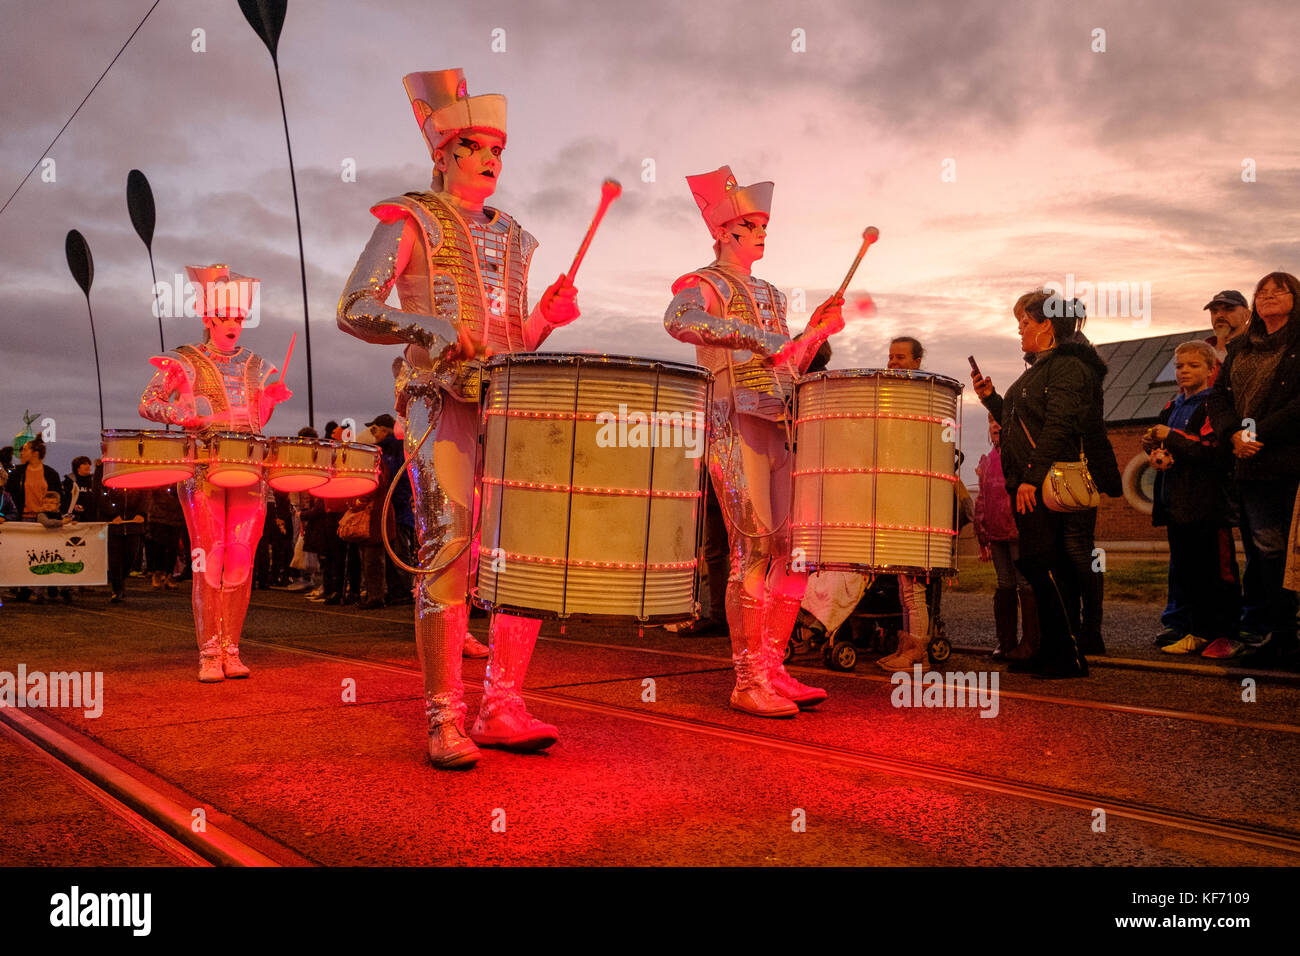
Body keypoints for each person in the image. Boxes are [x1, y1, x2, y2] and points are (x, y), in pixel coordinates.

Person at [337, 69, 580, 768]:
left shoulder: (515, 236)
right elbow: (355, 306)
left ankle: (503, 703)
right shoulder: (408, 217)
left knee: (521, 553)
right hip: (438, 399)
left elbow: (514, 343)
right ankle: (444, 716)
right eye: (474, 145)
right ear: (441, 151)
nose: (490, 159)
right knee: (447, 548)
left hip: (509, 402)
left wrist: (545, 319)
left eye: (498, 148)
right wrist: (431, 329)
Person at [663, 164, 843, 716]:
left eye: (764, 222)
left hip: (775, 419)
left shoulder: (769, 292)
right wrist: (749, 334)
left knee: (795, 551)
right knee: (754, 547)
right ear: (721, 231)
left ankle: (772, 665)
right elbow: (678, 319)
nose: (762, 230)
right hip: (730, 416)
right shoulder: (703, 282)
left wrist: (814, 332)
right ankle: (746, 679)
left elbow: (784, 364)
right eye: (750, 222)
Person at [137, 264, 292, 681]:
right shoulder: (183, 360)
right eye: (226, 317)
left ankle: (231, 647)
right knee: (209, 556)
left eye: (240, 317)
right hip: (202, 469)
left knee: (241, 556)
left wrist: (271, 399)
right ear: (207, 318)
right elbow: (148, 401)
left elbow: (256, 420)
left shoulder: (257, 364)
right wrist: (181, 414)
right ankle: (208, 650)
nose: (234, 325)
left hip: (249, 468)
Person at [972, 290, 1121, 678]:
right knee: (1042, 562)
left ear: (1047, 325)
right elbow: (1028, 421)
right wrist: (991, 400)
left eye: (1024, 323)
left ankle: (1068, 652)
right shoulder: (1041, 366)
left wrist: (1031, 479)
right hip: (1032, 481)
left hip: (1045, 483)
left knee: (1049, 562)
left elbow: (1059, 426)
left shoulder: (1068, 367)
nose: (1019, 330)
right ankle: (1053, 647)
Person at [1211, 271, 1300, 664]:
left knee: (1293, 551)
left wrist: (1256, 433)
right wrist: (1233, 435)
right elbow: (1219, 398)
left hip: (1288, 461)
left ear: (1296, 298)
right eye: (1262, 291)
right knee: (1265, 552)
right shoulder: (1241, 348)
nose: (1269, 296)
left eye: (1279, 290)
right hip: (1249, 466)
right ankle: (1280, 637)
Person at [1142, 340, 1240, 655]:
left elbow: (1216, 452)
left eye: (1193, 365)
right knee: (1188, 572)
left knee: (1217, 571)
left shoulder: (1213, 405)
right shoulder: (1171, 406)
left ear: (1211, 369)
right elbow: (1174, 448)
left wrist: (1172, 437)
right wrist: (1153, 448)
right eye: (1180, 365)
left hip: (1208, 505)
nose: (1184, 371)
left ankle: (1226, 635)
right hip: (1177, 504)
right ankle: (1196, 631)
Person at [877, 336, 940, 670]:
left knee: (913, 582)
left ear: (918, 361)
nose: (893, 363)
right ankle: (909, 647)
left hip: (915, 498)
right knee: (903, 581)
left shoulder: (924, 396)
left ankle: (919, 653)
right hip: (899, 493)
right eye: (890, 357)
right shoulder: (895, 396)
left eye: (900, 357)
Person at [974, 412, 1038, 661]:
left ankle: (1031, 641)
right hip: (996, 531)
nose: (995, 426)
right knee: (1005, 584)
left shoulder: (1021, 456)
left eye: (998, 421)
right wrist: (982, 536)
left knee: (1025, 582)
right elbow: (982, 499)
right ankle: (1007, 640)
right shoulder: (987, 461)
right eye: (991, 422)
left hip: (1017, 529)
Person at [91, 461, 146, 604]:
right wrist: (112, 513)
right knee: (115, 559)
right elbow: (100, 494)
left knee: (130, 556)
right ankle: (117, 589)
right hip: (114, 524)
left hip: (133, 523)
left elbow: (146, 492)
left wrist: (142, 513)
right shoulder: (103, 469)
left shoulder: (137, 467)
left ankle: (120, 580)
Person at [143, 483, 184, 589]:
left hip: (176, 515)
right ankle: (158, 572)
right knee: (159, 545)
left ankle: (169, 574)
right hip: (159, 515)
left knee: (173, 547)